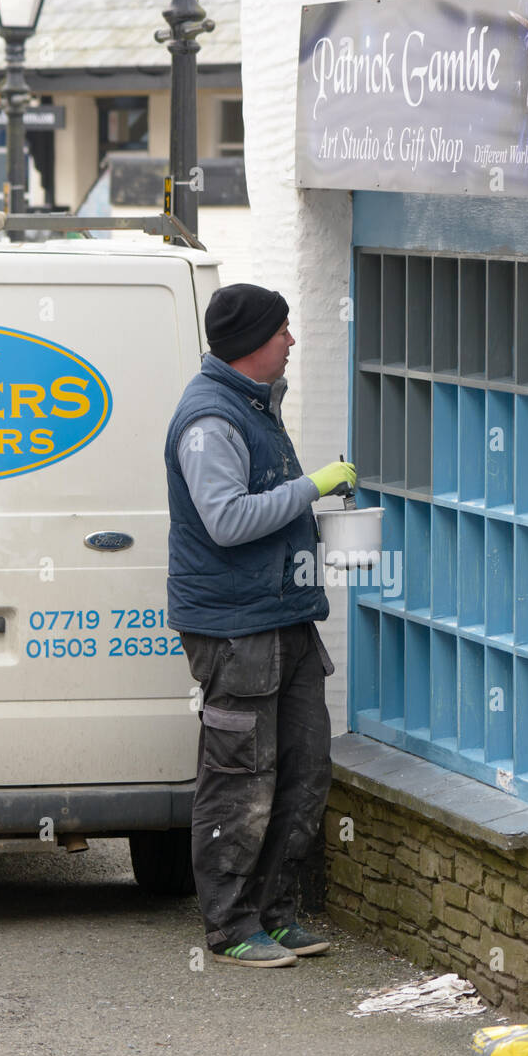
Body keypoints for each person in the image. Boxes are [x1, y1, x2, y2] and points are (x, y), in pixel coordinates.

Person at [164, 282, 356, 968]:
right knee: (241, 780)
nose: (292, 342)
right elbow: (227, 518)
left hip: (286, 617)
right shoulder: (210, 421)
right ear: (252, 345)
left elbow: (264, 510)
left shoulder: (252, 404)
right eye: (282, 332)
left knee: (303, 771)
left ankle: (275, 914)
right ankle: (230, 926)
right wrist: (314, 486)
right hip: (235, 629)